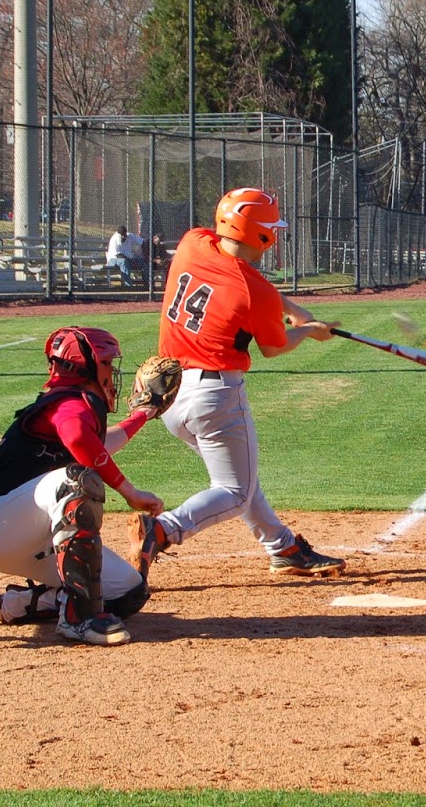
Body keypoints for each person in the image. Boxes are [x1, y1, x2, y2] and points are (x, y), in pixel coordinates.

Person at [128, 188, 343, 583]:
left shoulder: (193, 243)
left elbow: (244, 282)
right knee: (234, 492)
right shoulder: (253, 291)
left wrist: (293, 310)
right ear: (261, 235)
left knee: (239, 478)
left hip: (168, 395)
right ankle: (162, 530)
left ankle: (283, 548)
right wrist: (310, 331)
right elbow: (275, 347)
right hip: (215, 398)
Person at [0, 327, 165, 647]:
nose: (111, 371)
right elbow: (78, 438)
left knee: (127, 591)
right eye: (105, 362)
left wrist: (143, 414)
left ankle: (17, 606)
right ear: (85, 364)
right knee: (74, 480)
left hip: (25, 532)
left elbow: (97, 444)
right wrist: (129, 492)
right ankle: (79, 617)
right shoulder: (71, 402)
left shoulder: (70, 402)